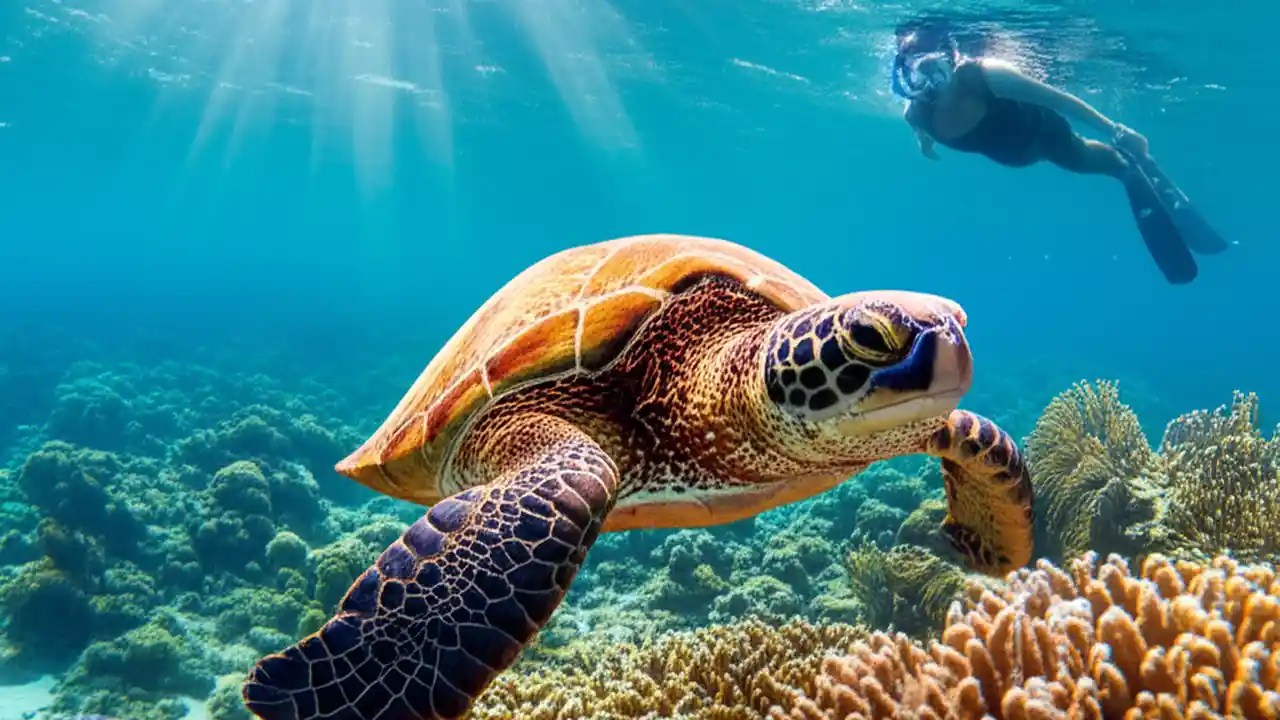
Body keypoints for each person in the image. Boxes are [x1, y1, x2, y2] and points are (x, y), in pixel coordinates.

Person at [891, 31, 1227, 284]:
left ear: (953, 61)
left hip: (1046, 136)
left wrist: (1116, 130)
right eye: (919, 75)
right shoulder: (917, 114)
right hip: (1015, 154)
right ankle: (1124, 162)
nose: (931, 84)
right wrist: (925, 146)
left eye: (936, 70)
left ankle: (1126, 166)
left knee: (1084, 160)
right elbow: (919, 132)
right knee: (1075, 160)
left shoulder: (988, 77)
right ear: (905, 77)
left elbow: (1062, 101)